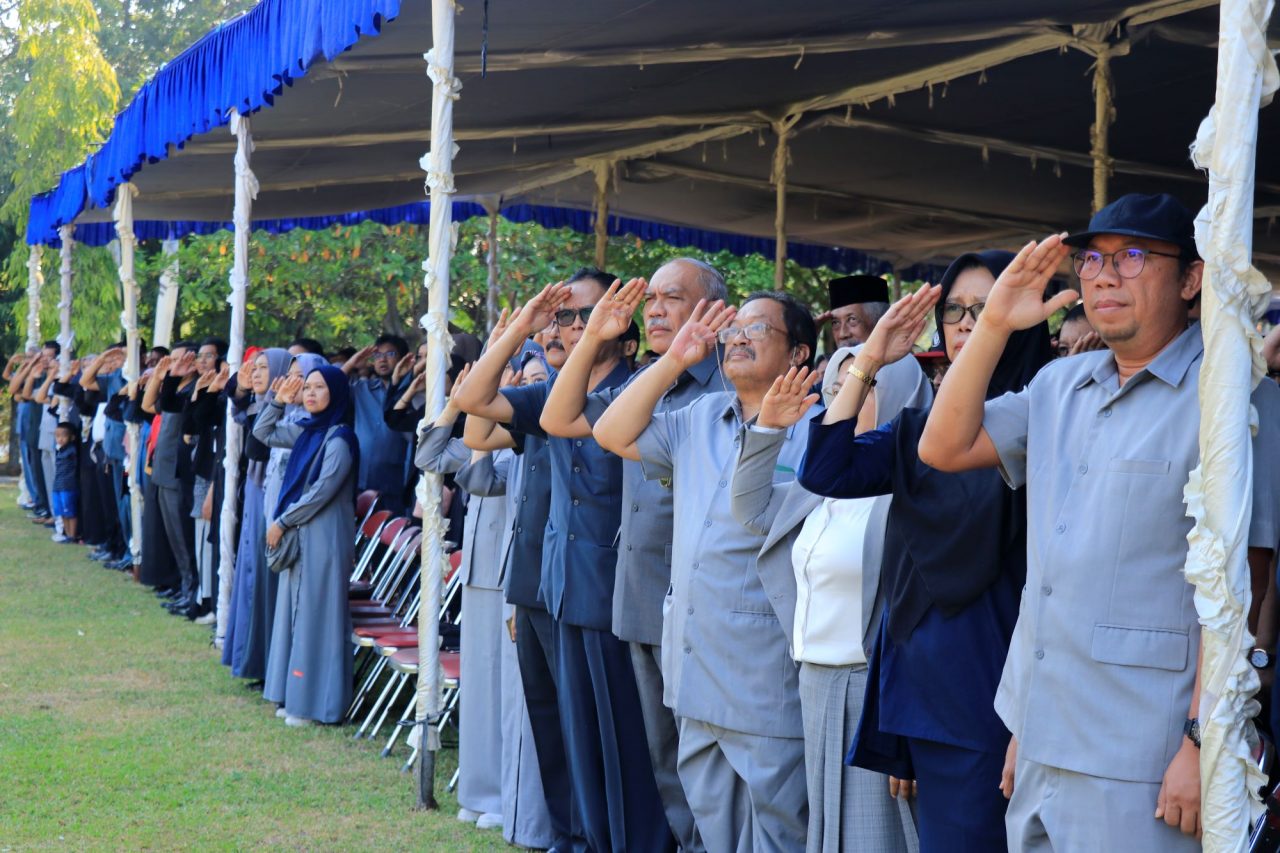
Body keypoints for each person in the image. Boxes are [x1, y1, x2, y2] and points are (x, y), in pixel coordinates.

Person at [917, 193, 1279, 851]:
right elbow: (941, 446)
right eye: (1091, 259)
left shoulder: (1232, 394)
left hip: (1145, 752)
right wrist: (995, 322)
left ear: (1191, 279)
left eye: (1133, 256)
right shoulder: (1064, 384)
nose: (1105, 275)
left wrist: (1202, 742)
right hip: (1043, 737)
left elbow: (1244, 590)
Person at [800, 253, 1050, 853]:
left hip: (1000, 685)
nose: (968, 322)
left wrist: (1028, 718)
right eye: (956, 311)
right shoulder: (920, 429)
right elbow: (825, 469)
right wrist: (870, 359)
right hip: (922, 685)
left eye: (985, 309)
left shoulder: (1050, 414)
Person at [453, 269, 669, 853]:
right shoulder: (550, 389)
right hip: (546, 584)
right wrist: (520, 326)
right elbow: (471, 410)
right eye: (564, 316)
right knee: (560, 732)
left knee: (614, 739)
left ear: (624, 329)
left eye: (586, 315)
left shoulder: (640, 387)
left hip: (609, 590)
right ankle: (571, 837)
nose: (574, 327)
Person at [594, 291, 818, 853]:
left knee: (779, 830)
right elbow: (611, 432)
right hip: (692, 667)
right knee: (710, 826)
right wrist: (673, 359)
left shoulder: (816, 426)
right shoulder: (698, 416)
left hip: (764, 675)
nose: (737, 338)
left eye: (757, 330)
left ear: (799, 355)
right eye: (733, 329)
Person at [540, 258, 728, 852]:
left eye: (672, 298)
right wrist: (595, 334)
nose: (655, 310)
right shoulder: (649, 383)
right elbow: (558, 417)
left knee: (714, 765)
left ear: (712, 310)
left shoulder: (729, 388)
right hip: (644, 594)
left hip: (711, 609)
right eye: (651, 301)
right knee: (664, 762)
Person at [732, 344, 930, 853]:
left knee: (877, 837)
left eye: (861, 388)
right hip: (816, 684)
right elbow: (750, 507)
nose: (840, 400)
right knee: (830, 837)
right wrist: (768, 431)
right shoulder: (818, 485)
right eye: (836, 388)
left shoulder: (912, 489)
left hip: (875, 690)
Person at [418, 367, 513, 831]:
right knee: (478, 687)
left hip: (508, 573)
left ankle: (502, 793)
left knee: (502, 690)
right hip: (478, 573)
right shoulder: (477, 438)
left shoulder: (518, 438)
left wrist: (483, 427)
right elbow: (429, 454)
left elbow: (481, 480)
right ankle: (478, 789)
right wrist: (457, 405)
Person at [255, 364, 359, 726]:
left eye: (319, 388)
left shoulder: (340, 439)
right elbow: (262, 432)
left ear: (336, 393)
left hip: (325, 537)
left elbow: (321, 493)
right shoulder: (308, 431)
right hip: (304, 532)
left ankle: (318, 705)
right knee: (297, 612)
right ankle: (294, 694)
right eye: (308, 388)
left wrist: (282, 521)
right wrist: (279, 401)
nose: (311, 393)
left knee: (318, 616)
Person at [223, 348, 293, 678]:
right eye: (257, 367)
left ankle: (265, 662)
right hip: (255, 491)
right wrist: (240, 386)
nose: (259, 373)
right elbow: (238, 407)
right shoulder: (259, 404)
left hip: (271, 495)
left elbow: (257, 441)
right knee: (249, 573)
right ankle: (248, 656)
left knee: (262, 578)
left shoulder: (286, 410)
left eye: (266, 367)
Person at [142, 343, 202, 618]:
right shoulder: (173, 388)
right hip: (164, 468)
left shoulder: (195, 389)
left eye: (181, 359)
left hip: (180, 470)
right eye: (172, 359)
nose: (175, 364)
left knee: (183, 535)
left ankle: (191, 592)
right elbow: (146, 405)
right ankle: (182, 586)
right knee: (173, 536)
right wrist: (159, 375)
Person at [341, 334, 413, 514]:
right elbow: (330, 386)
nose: (382, 360)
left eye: (390, 354)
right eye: (378, 355)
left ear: (404, 358)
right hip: (358, 480)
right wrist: (351, 363)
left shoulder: (412, 392)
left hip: (395, 484)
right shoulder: (362, 389)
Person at [823, 275, 891, 348]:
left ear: (878, 321)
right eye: (836, 322)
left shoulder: (902, 358)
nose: (842, 334)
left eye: (852, 319)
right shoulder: (830, 359)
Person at [50, 422, 80, 544]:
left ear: (71, 437)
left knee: (70, 512)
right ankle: (66, 534)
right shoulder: (59, 450)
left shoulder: (71, 451)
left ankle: (72, 535)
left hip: (68, 486)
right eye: (57, 436)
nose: (60, 439)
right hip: (57, 485)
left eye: (63, 436)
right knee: (62, 512)